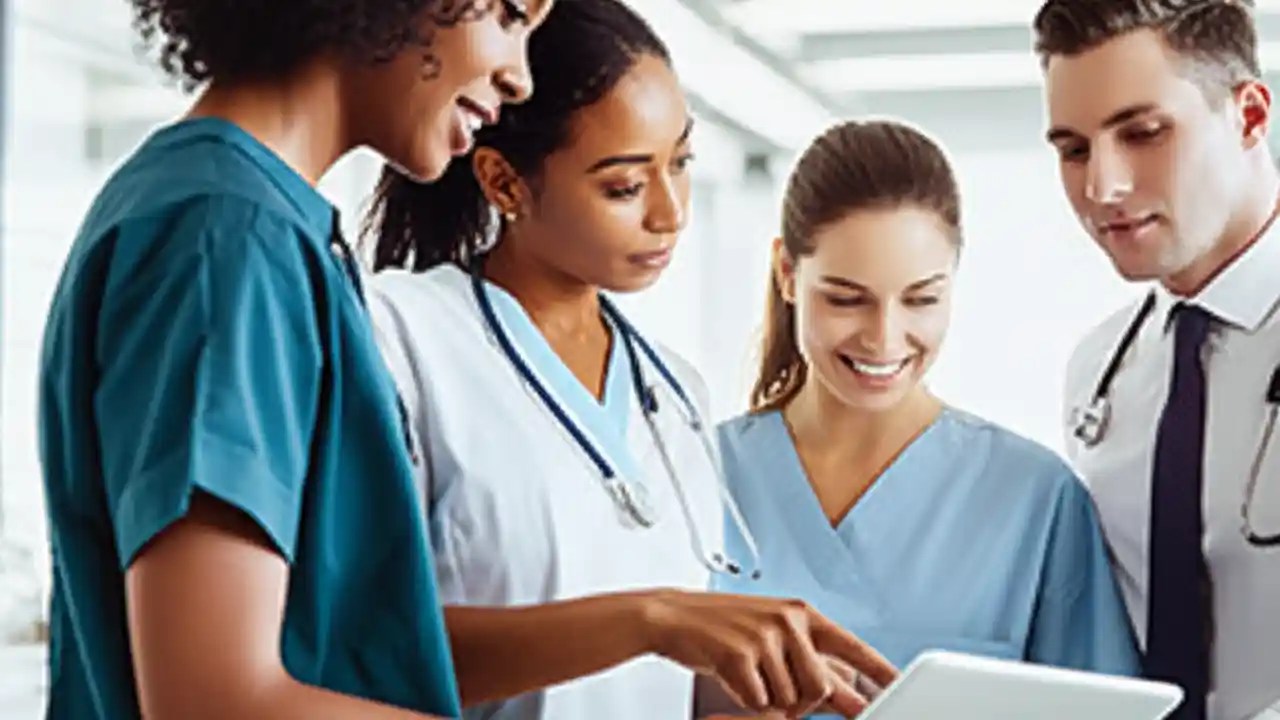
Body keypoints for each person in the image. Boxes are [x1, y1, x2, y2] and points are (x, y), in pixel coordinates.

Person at [363, 1, 896, 718]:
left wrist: (763, 685)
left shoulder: (674, 390)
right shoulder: (402, 337)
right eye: (624, 185)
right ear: (503, 182)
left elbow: (656, 684)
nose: (671, 212)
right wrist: (652, 619)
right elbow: (363, 645)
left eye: (680, 163)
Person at [37, 1, 556, 718]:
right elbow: (214, 700)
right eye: (506, 12)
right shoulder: (226, 236)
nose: (520, 76)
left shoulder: (245, 219)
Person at [711, 119, 1140, 708]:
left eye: (921, 299)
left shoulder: (1034, 500)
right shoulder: (696, 480)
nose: (884, 339)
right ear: (788, 274)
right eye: (845, 299)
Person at [1035, 1, 1280, 718]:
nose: (1102, 188)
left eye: (1143, 134)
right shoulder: (1099, 369)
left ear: (1250, 116)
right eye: (1074, 150)